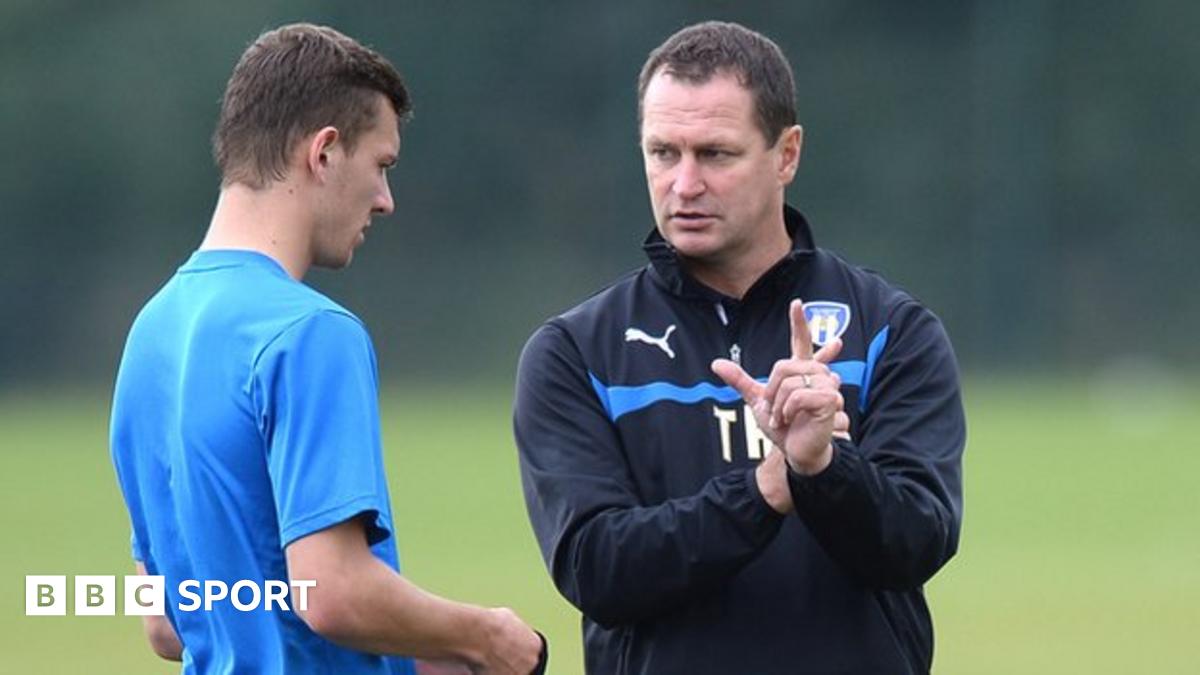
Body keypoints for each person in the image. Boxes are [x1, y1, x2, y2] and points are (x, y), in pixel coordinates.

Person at [513, 20, 965, 674]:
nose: (684, 183)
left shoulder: (890, 330)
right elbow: (596, 568)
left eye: (715, 154)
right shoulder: (577, 352)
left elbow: (919, 542)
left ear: (787, 155)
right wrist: (767, 488)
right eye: (663, 152)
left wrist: (827, 471)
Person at [110, 23, 543, 675]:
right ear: (325, 152)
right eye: (382, 166)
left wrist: (426, 661)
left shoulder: (150, 331)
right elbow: (333, 593)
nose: (386, 200)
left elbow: (169, 622)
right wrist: (488, 638)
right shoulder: (310, 332)